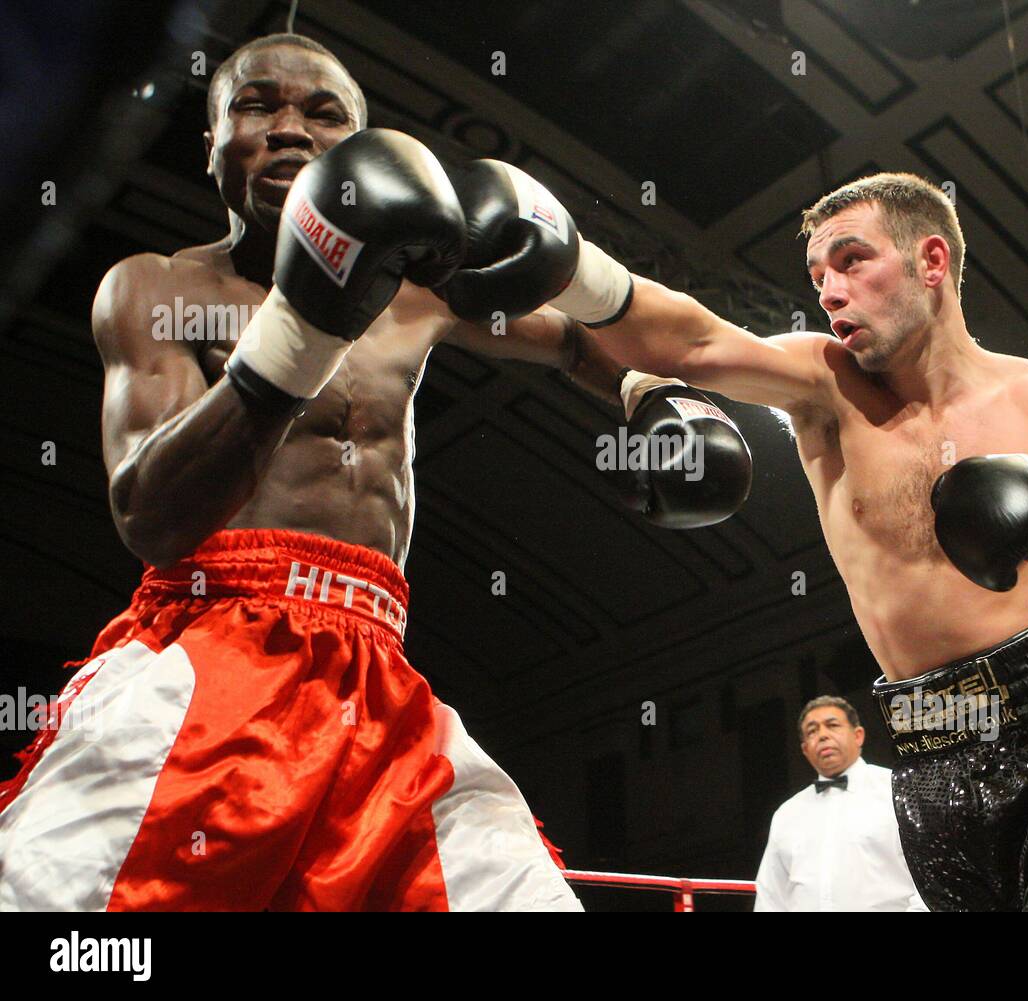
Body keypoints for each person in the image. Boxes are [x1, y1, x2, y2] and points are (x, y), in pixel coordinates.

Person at [0, 33, 749, 911]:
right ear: (209, 144)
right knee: (65, 919)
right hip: (209, 648)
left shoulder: (420, 293)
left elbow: (581, 334)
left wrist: (653, 396)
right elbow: (149, 514)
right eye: (255, 106)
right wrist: (303, 323)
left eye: (323, 114)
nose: (288, 130)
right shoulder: (155, 286)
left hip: (378, 679)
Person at [530, 171, 1028, 911]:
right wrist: (567, 262)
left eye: (852, 260)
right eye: (818, 274)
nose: (830, 289)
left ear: (932, 261)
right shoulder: (824, 388)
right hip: (927, 757)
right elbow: (689, 341)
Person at [755, 696, 924, 912]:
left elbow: (932, 873)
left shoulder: (898, 789)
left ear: (858, 735)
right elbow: (770, 898)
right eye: (812, 731)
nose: (823, 735)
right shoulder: (787, 814)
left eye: (832, 725)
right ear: (805, 749)